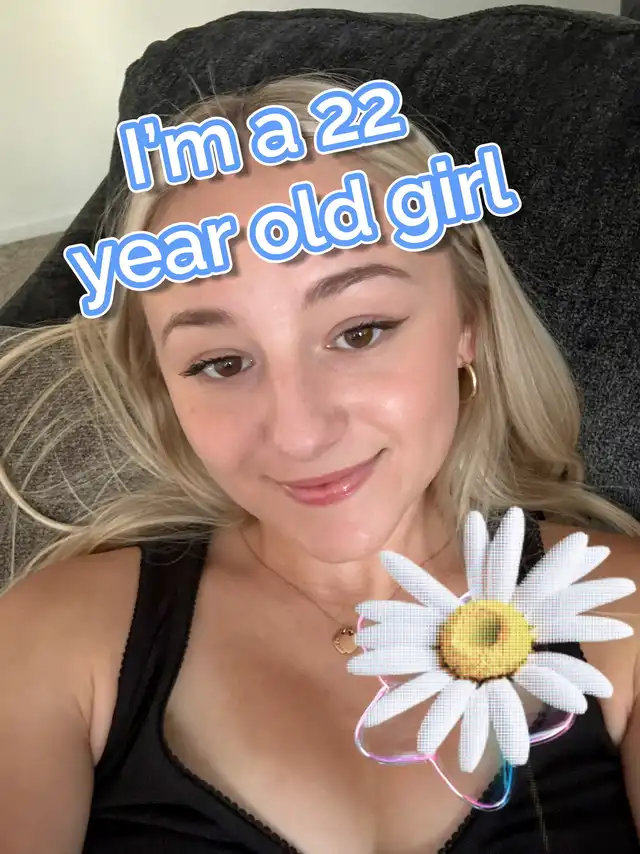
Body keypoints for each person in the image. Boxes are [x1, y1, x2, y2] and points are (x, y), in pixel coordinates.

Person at [0, 75, 639, 854]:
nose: (299, 434)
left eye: (360, 332)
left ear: (467, 323)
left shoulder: (621, 612)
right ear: (166, 385)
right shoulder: (53, 639)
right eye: (221, 362)